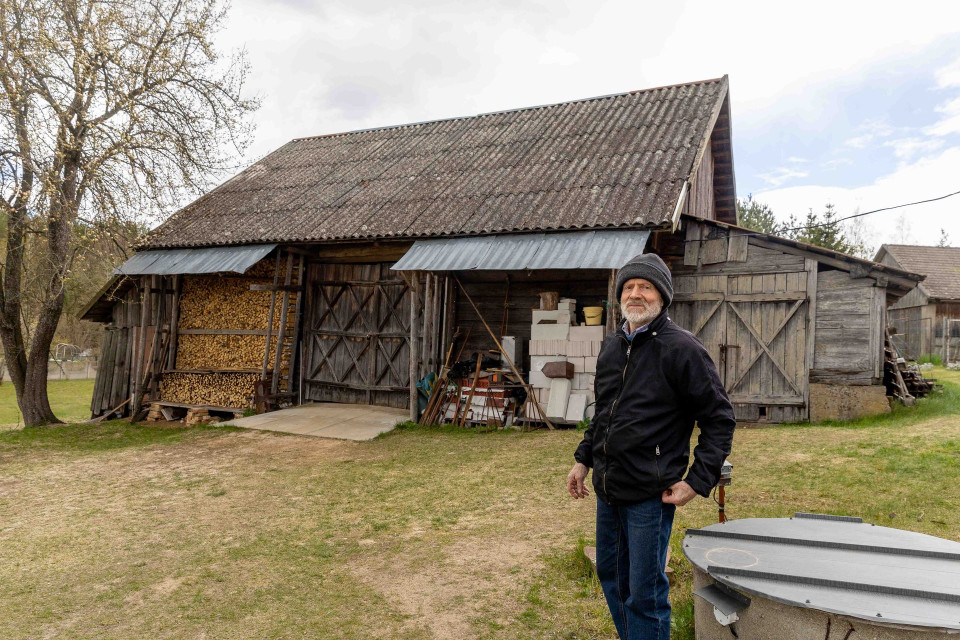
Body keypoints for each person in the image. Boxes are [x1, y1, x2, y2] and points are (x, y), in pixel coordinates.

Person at [566, 253, 735, 640]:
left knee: (643, 592)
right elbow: (603, 415)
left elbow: (719, 418)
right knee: (611, 575)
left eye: (645, 287)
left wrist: (697, 480)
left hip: (649, 493)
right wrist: (582, 461)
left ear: (662, 296)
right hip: (609, 490)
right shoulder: (612, 348)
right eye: (628, 287)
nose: (635, 294)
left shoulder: (682, 349)